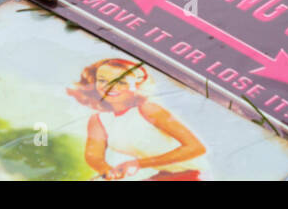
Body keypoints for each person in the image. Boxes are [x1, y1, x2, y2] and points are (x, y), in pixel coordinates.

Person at [67, 59, 207, 180]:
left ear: (136, 85)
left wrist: (139, 163)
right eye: (102, 80)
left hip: (193, 176)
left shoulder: (148, 109)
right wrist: (106, 170)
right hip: (163, 176)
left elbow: (195, 148)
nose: (109, 87)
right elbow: (94, 156)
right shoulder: (99, 120)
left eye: (120, 82)